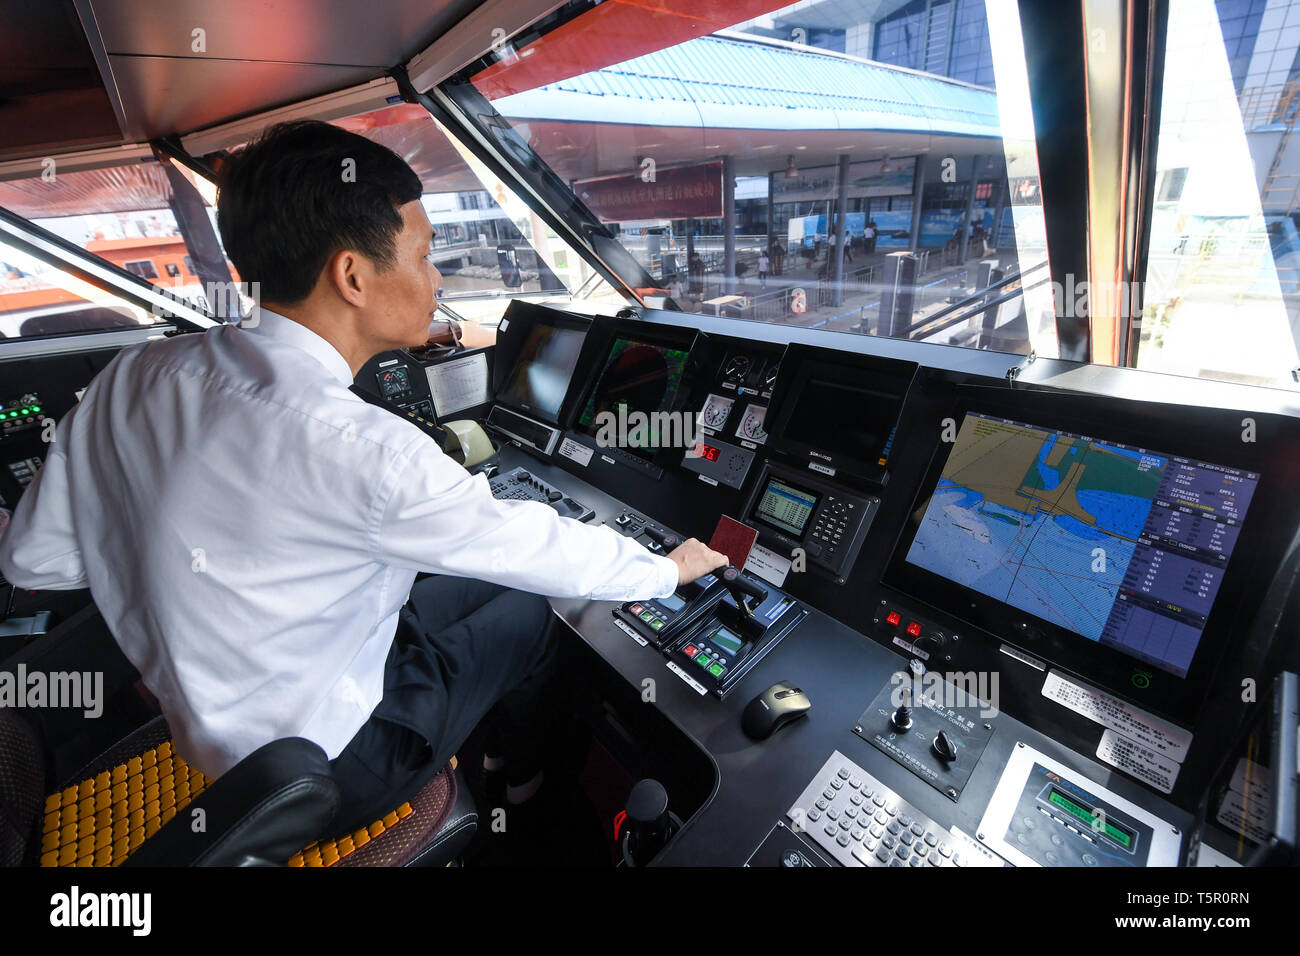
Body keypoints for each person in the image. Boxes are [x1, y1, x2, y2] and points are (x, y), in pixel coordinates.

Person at [0, 120, 728, 834]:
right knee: (531, 618)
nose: (435, 278)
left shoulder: (137, 373)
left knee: (475, 588)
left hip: (202, 721)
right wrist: (665, 570)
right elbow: (536, 548)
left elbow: (37, 559)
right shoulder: (361, 450)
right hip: (319, 773)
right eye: (425, 254)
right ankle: (526, 796)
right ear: (352, 275)